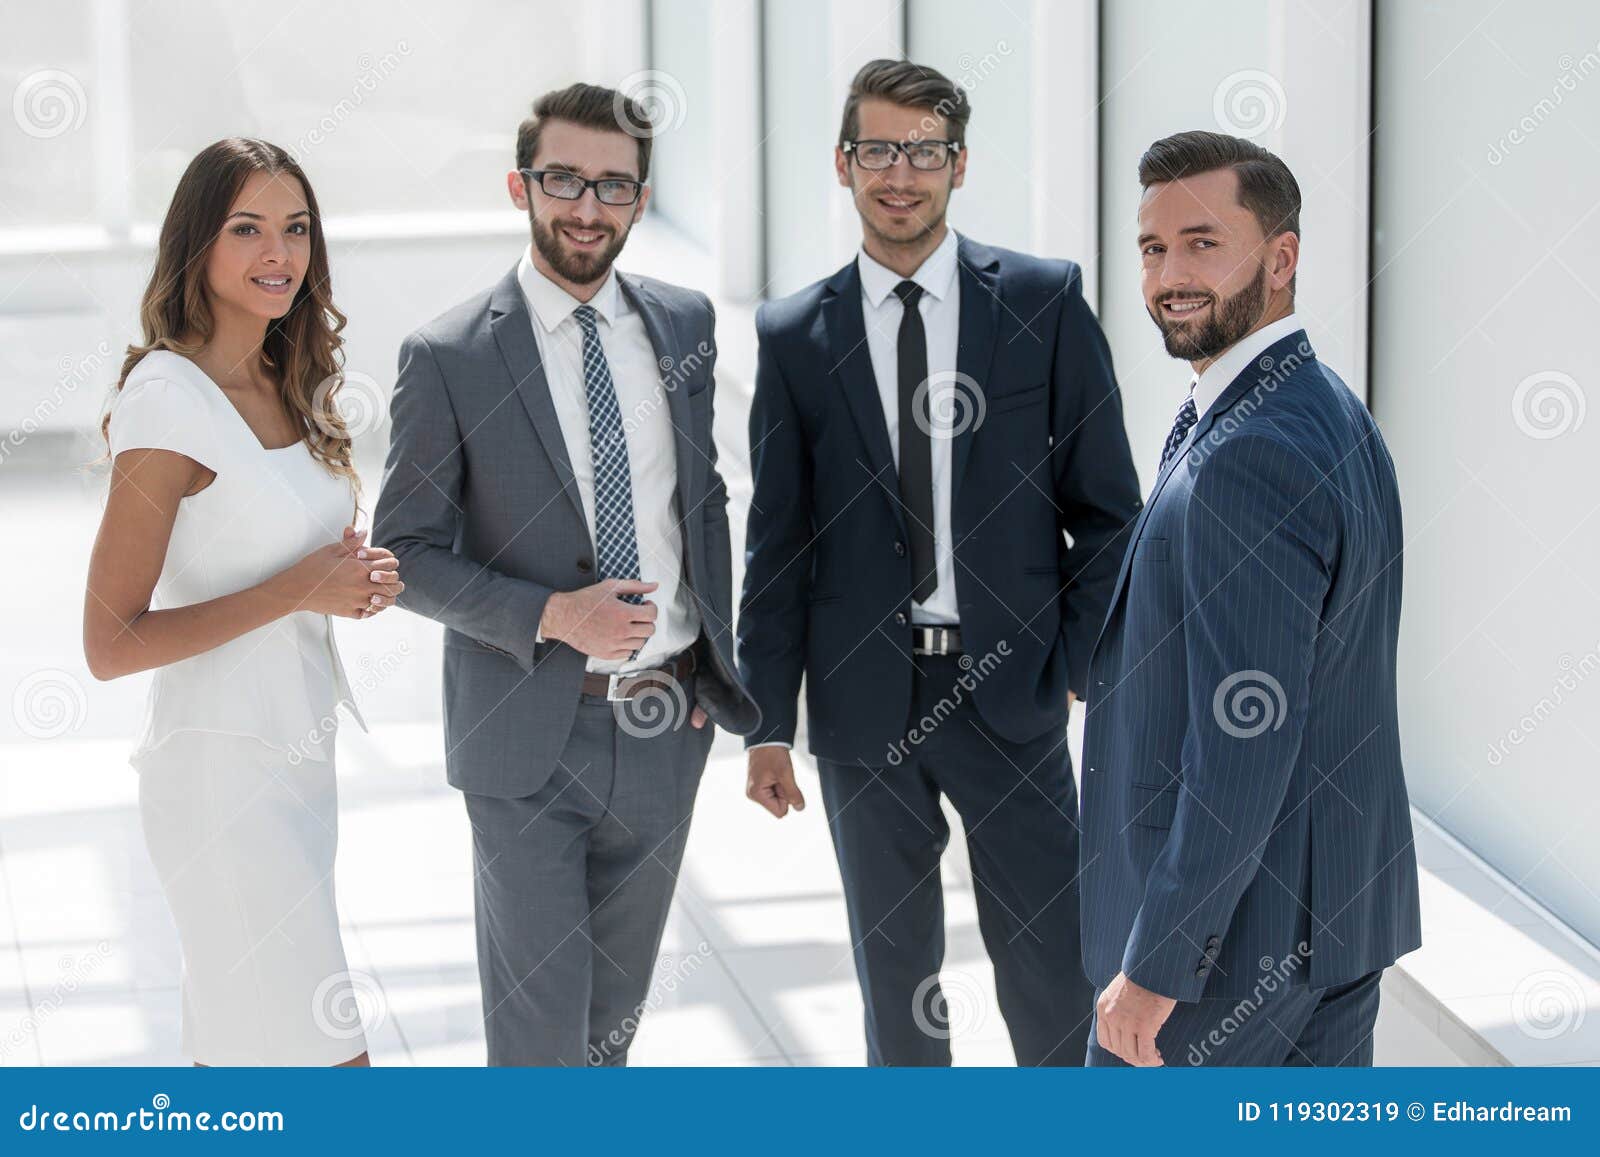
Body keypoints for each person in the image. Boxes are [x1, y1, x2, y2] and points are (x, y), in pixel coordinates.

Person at [737, 59, 1141, 1066]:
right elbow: (777, 541)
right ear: (843, 164)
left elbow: (1106, 512)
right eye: (879, 150)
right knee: (895, 985)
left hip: (1013, 685)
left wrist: (1082, 665)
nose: (900, 174)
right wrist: (764, 722)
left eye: (924, 151)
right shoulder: (793, 335)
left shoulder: (1044, 304)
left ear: (959, 166)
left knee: (1054, 967)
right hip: (858, 697)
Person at [371, 84, 759, 1066]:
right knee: (540, 1040)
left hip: (665, 724)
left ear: (640, 197)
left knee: (608, 1032)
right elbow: (404, 554)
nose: (587, 207)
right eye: (564, 181)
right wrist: (551, 613)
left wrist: (713, 660)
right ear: (522, 185)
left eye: (612, 186)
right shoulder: (449, 354)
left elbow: (700, 501)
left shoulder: (682, 324)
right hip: (526, 737)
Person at [1080, 130, 1422, 1067]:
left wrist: (1159, 962)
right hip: (1332, 919)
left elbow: (1245, 736)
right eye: (1153, 248)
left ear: (1282, 258)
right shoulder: (1327, 408)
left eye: (1202, 242)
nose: (1169, 274)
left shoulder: (1252, 452)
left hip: (1229, 953)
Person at [84, 138, 400, 1066]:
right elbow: (109, 641)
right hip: (220, 780)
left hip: (296, 759)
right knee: (328, 1069)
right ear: (198, 246)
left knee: (240, 1060)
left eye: (297, 229)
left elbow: (274, 559)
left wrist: (342, 580)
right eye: (248, 228)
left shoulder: (282, 378)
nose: (281, 252)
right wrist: (296, 588)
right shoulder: (166, 400)